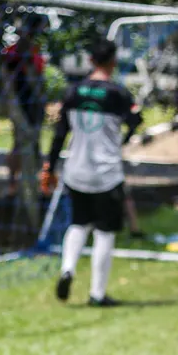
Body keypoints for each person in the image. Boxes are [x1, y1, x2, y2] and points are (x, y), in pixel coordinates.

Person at [41, 39, 143, 306]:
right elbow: (135, 122)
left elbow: (59, 133)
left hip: (76, 170)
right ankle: (97, 293)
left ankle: (68, 269)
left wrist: (50, 166)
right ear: (113, 61)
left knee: (78, 223)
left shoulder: (73, 91)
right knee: (105, 232)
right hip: (107, 172)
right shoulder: (118, 93)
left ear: (90, 61)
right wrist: (129, 130)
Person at [1, 14, 48, 204]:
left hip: (35, 104)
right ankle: (13, 186)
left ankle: (34, 185)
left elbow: (38, 78)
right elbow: (10, 79)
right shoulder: (16, 51)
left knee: (34, 144)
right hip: (21, 105)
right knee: (20, 143)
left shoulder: (34, 50)